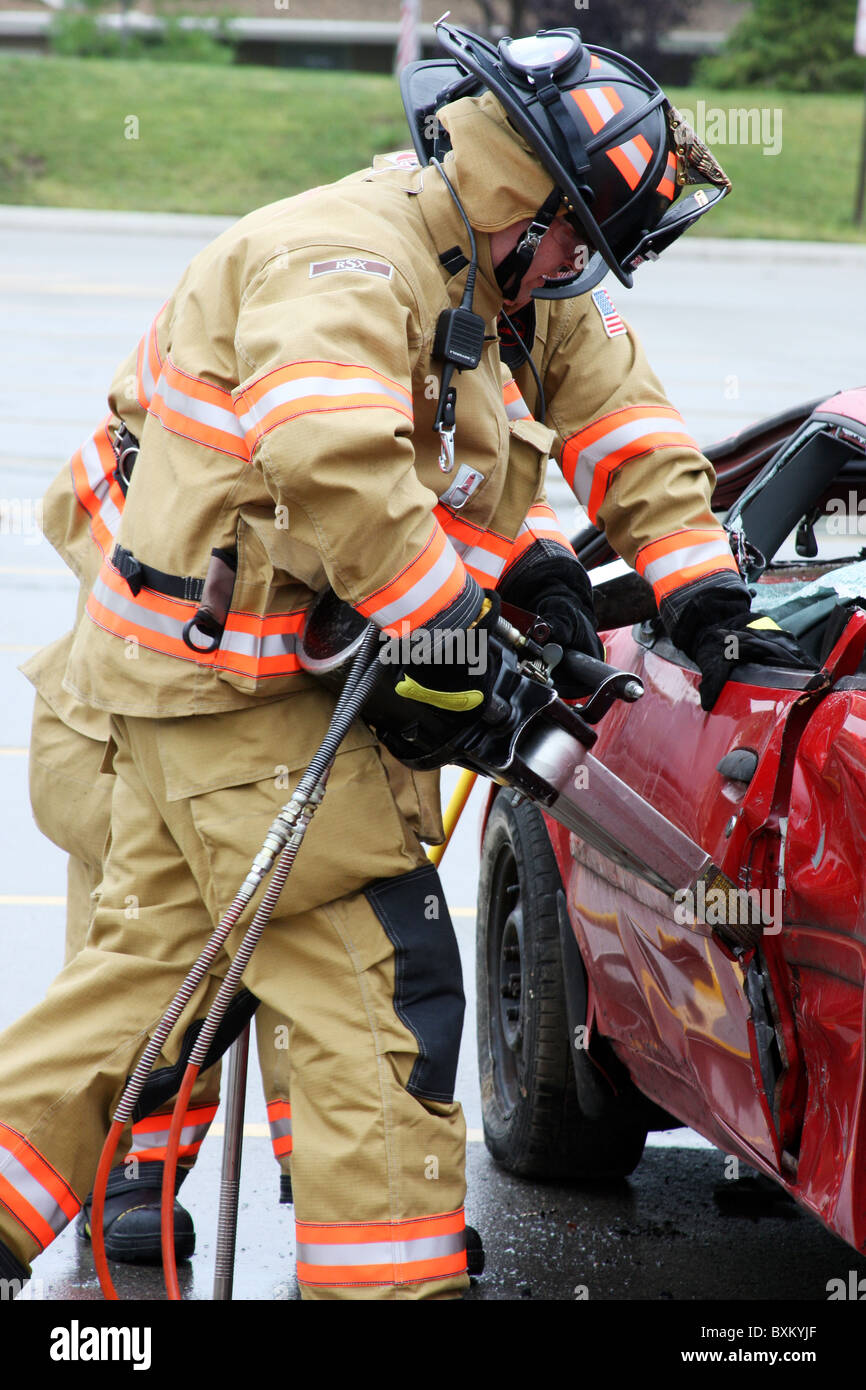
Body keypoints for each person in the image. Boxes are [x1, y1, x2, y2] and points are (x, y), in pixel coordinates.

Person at [0, 22, 808, 1300]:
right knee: (382, 987)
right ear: (518, 202)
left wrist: (702, 591)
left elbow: (622, 421)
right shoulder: (346, 262)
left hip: (212, 704)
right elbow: (335, 466)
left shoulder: (503, 280)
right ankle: (391, 1286)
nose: (579, 275)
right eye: (576, 242)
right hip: (232, 705)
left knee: (146, 990)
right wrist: (464, 631)